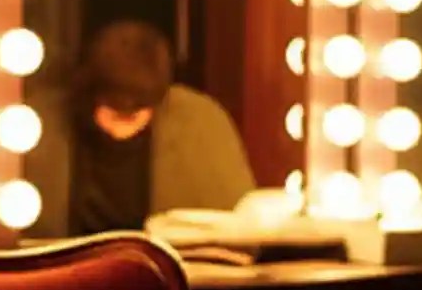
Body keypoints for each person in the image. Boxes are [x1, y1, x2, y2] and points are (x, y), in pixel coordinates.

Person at [23, 20, 255, 238]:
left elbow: (235, 230)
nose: (121, 128)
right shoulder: (36, 124)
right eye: (112, 112)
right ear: (89, 96)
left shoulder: (199, 124)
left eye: (135, 114)